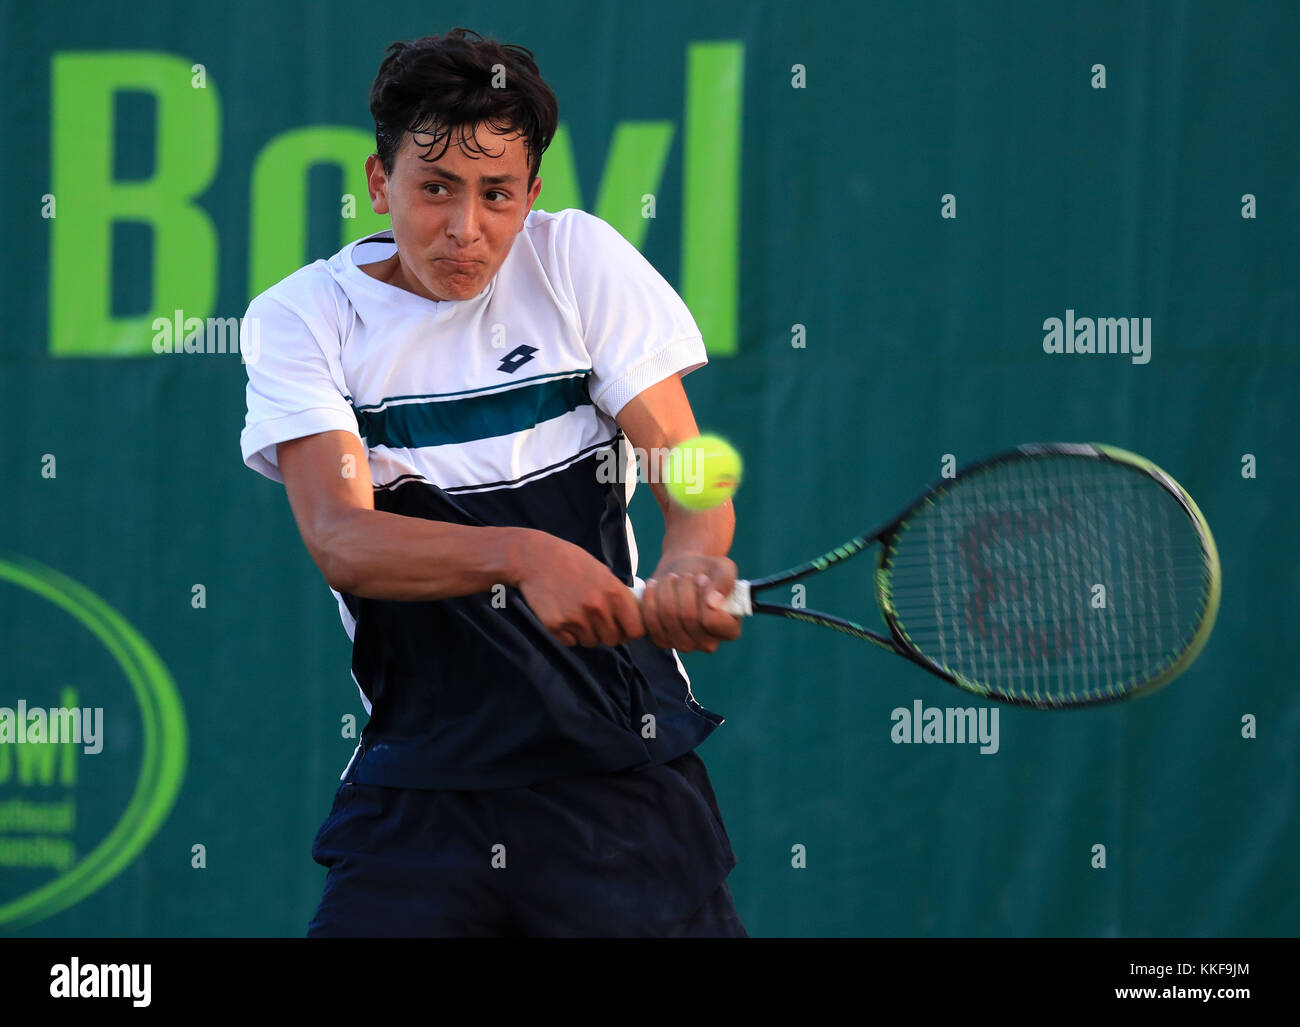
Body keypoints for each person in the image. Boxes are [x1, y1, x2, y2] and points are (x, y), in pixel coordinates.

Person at [239, 27, 746, 937]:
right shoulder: (303, 318)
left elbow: (688, 466)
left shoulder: (577, 261)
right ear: (378, 182)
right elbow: (341, 538)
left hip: (615, 778)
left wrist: (696, 554)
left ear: (531, 196)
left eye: (496, 194)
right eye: (435, 188)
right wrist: (522, 555)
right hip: (426, 790)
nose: (465, 228)